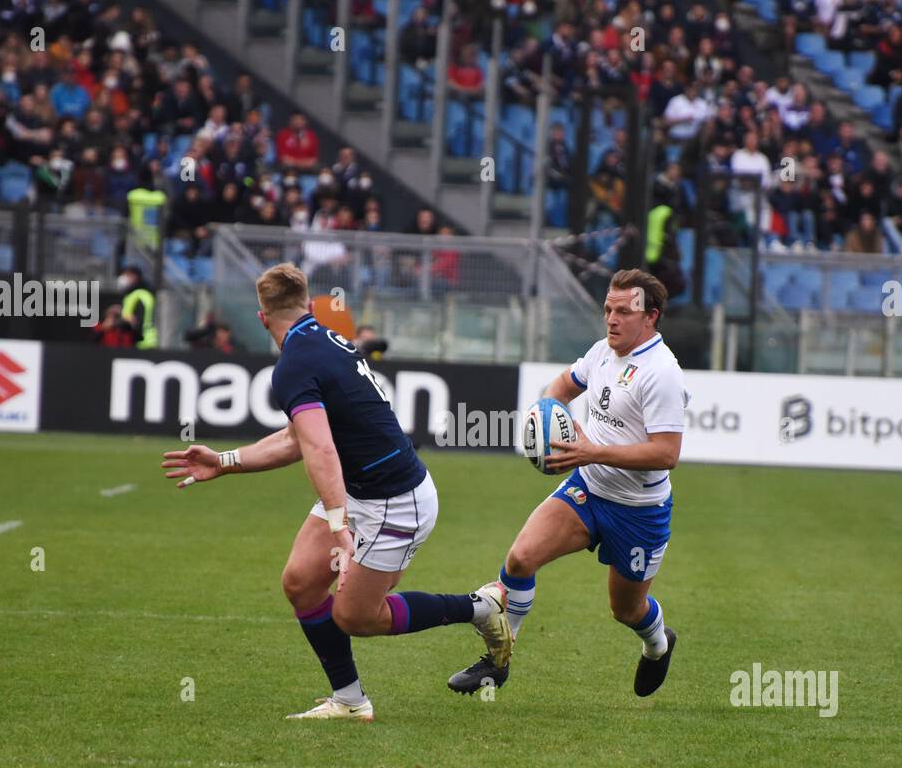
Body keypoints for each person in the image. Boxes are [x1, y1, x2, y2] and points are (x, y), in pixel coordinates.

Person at [160, 263, 513, 721]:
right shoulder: (325, 340)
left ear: (262, 318)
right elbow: (297, 440)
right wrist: (225, 462)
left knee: (356, 616)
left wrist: (338, 523)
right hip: (368, 492)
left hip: (395, 502)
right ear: (308, 305)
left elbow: (320, 449)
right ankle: (349, 700)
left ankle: (478, 608)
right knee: (302, 583)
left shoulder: (294, 363)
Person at [447, 269, 687, 697]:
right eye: (608, 310)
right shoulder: (601, 353)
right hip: (588, 488)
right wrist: (552, 419)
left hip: (639, 511)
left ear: (650, 317)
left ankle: (657, 644)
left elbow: (666, 453)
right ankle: (499, 660)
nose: (611, 319)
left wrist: (591, 450)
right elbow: (558, 388)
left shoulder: (662, 373)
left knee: (625, 609)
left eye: (623, 311)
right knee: (520, 559)